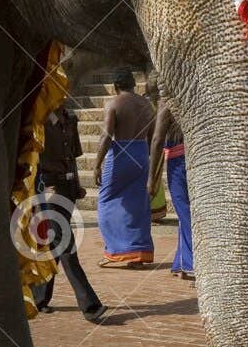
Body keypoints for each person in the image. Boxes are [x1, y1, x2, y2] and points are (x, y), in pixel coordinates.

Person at [32, 104, 108, 323]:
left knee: (55, 244)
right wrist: (41, 188)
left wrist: (76, 186)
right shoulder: (39, 120)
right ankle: (89, 305)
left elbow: (73, 156)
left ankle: (39, 297)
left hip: (67, 189)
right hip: (48, 189)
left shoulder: (71, 119)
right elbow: (30, 157)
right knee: (65, 243)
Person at [93, 69, 155, 267]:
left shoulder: (114, 103)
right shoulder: (147, 104)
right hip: (141, 153)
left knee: (106, 200)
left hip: (121, 153)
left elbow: (106, 136)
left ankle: (115, 250)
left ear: (115, 86)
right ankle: (138, 253)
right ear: (133, 85)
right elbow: (153, 137)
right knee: (138, 203)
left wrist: (96, 165)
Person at [148, 103, 192, 280]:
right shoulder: (196, 97)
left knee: (185, 213)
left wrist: (152, 178)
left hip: (178, 164)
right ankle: (182, 261)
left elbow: (157, 140)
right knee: (189, 213)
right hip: (200, 158)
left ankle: (192, 263)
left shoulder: (168, 103)